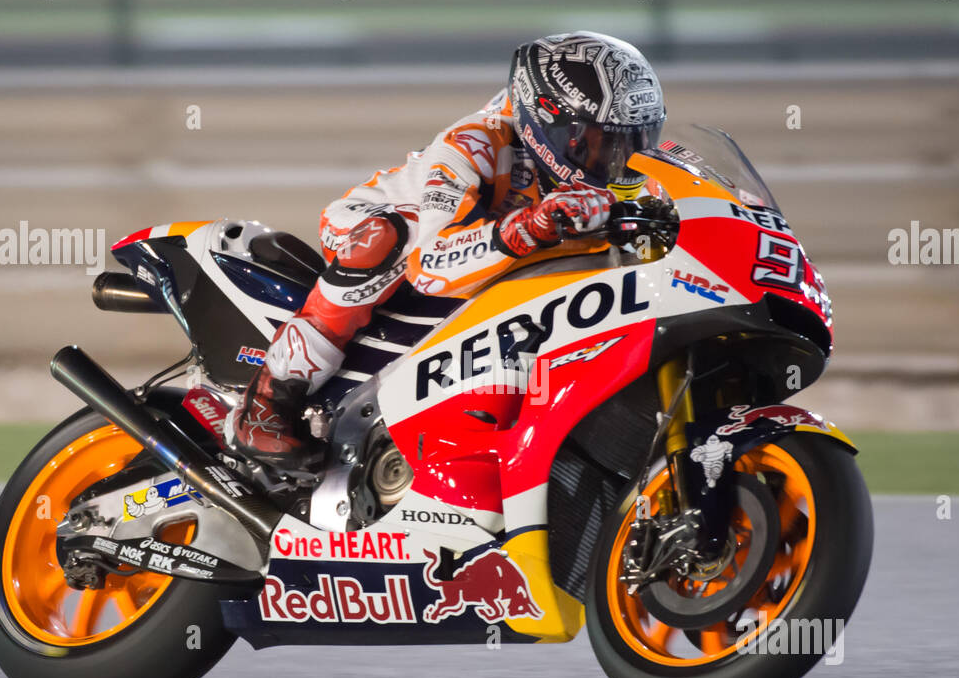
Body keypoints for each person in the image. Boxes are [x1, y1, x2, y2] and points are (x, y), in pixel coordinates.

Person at [224, 30, 666, 463]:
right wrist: (526, 229)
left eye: (634, 142)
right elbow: (430, 268)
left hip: (496, 250)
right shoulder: (473, 142)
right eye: (600, 144)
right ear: (546, 120)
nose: (619, 162)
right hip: (386, 230)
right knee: (389, 236)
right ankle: (269, 398)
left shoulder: (620, 170)